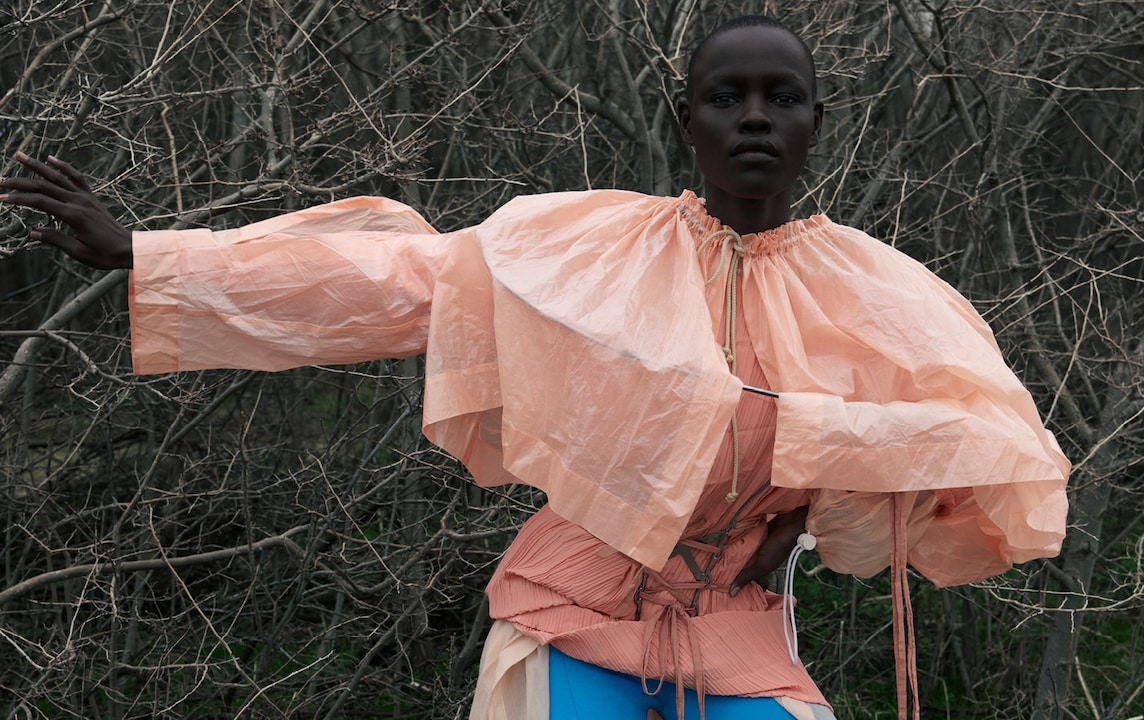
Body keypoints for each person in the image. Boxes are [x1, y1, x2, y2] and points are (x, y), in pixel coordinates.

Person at [0, 15, 1069, 720]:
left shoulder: (877, 290)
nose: (752, 118)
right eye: (726, 97)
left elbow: (993, 446)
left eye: (779, 99)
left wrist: (811, 470)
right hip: (571, 611)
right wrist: (151, 255)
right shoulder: (589, 248)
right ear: (682, 118)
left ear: (813, 125)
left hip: (738, 631)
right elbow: (402, 284)